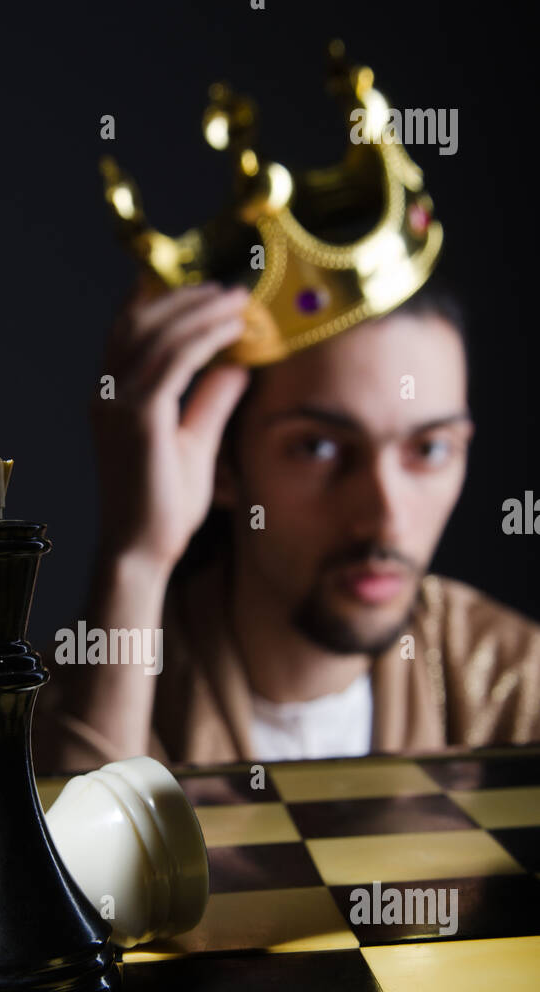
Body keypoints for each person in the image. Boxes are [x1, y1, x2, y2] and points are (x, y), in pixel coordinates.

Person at [33, 269, 540, 772]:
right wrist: (137, 560)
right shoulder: (80, 697)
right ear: (223, 460)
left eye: (429, 449)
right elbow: (77, 821)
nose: (385, 521)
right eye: (317, 447)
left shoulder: (512, 680)